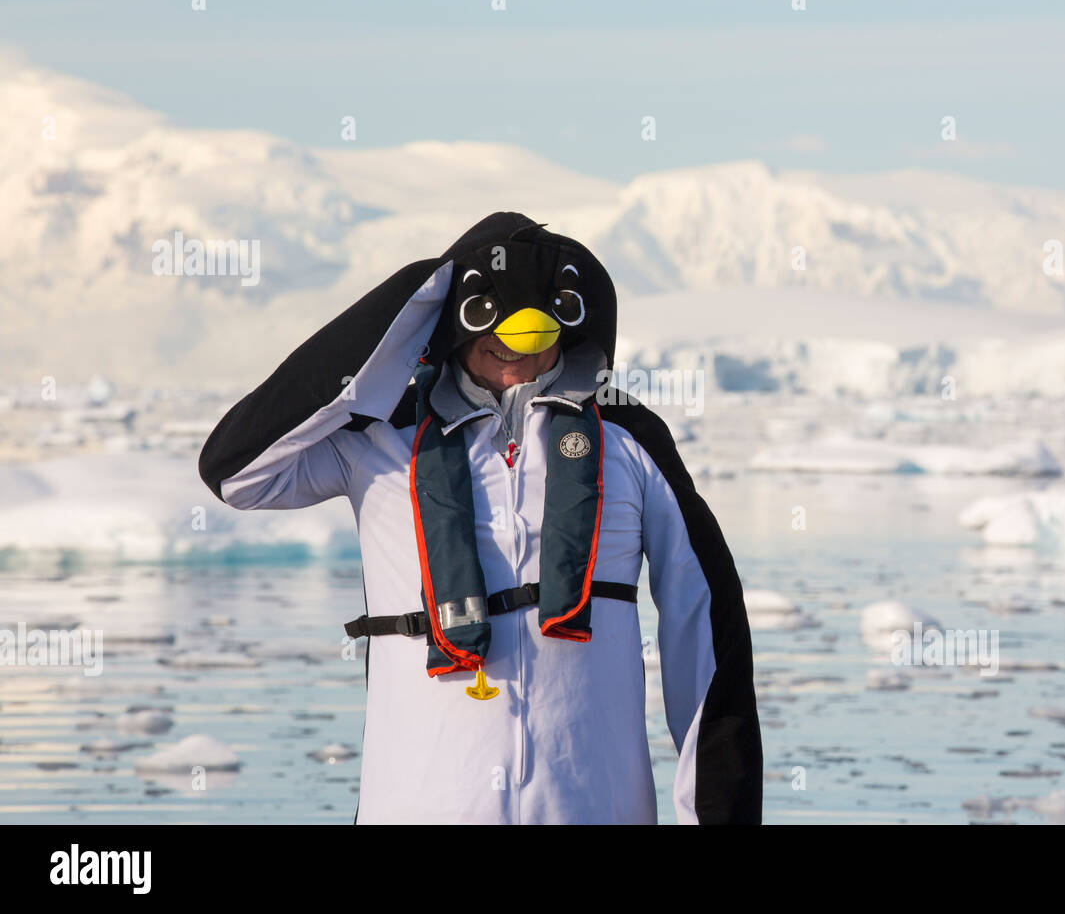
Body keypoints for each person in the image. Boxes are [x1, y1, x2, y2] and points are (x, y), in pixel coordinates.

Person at [198, 212, 762, 824]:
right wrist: (407, 303)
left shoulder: (627, 437)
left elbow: (706, 622)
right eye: (484, 316)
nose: (512, 342)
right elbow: (237, 471)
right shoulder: (377, 440)